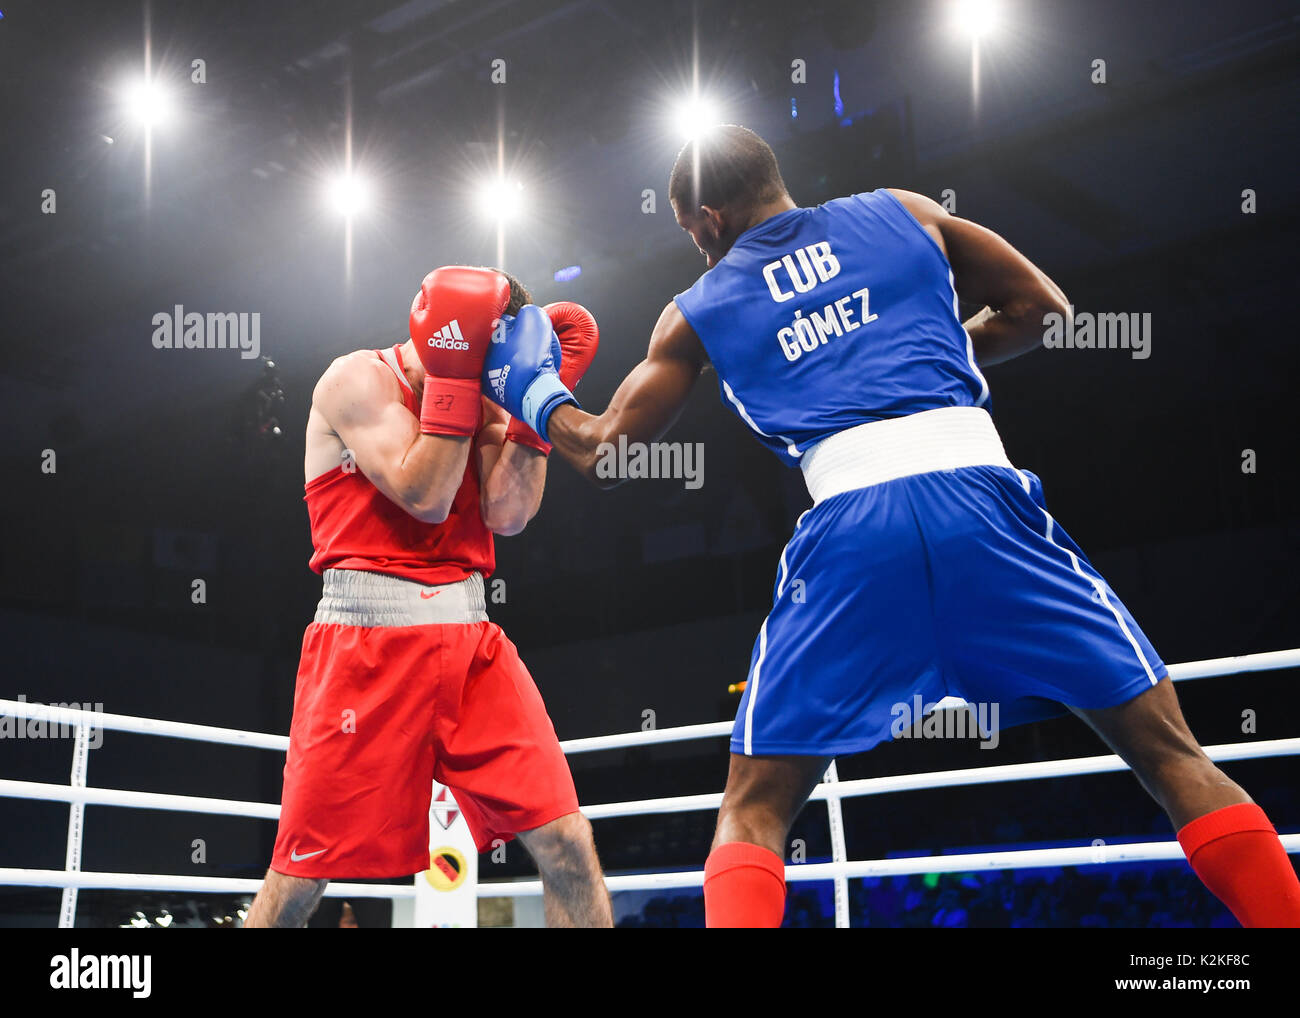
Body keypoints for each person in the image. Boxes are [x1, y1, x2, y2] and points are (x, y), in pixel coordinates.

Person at [482, 125, 1300, 928]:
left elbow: (603, 449)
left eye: (692, 231)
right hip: (984, 502)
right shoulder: (906, 212)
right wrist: (933, 356)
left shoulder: (698, 307)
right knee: (1171, 754)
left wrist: (530, 389)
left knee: (756, 808)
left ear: (709, 221)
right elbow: (1040, 308)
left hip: (851, 531)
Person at [245, 265, 612, 928]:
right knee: (301, 877)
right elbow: (425, 494)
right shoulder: (356, 379)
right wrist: (453, 383)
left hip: (472, 646)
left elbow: (508, 515)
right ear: (465, 337)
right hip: (363, 649)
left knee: (567, 843)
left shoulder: (489, 396)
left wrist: (536, 409)